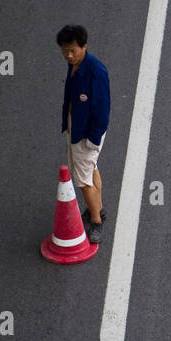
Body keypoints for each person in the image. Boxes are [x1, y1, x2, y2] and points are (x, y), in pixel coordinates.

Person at [57, 24, 109, 244]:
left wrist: (92, 140)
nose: (69, 55)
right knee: (91, 170)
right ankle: (98, 208)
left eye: (73, 50)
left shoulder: (95, 72)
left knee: (82, 180)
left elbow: (102, 109)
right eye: (65, 50)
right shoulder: (76, 65)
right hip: (76, 126)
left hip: (86, 135)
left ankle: (96, 220)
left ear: (84, 46)